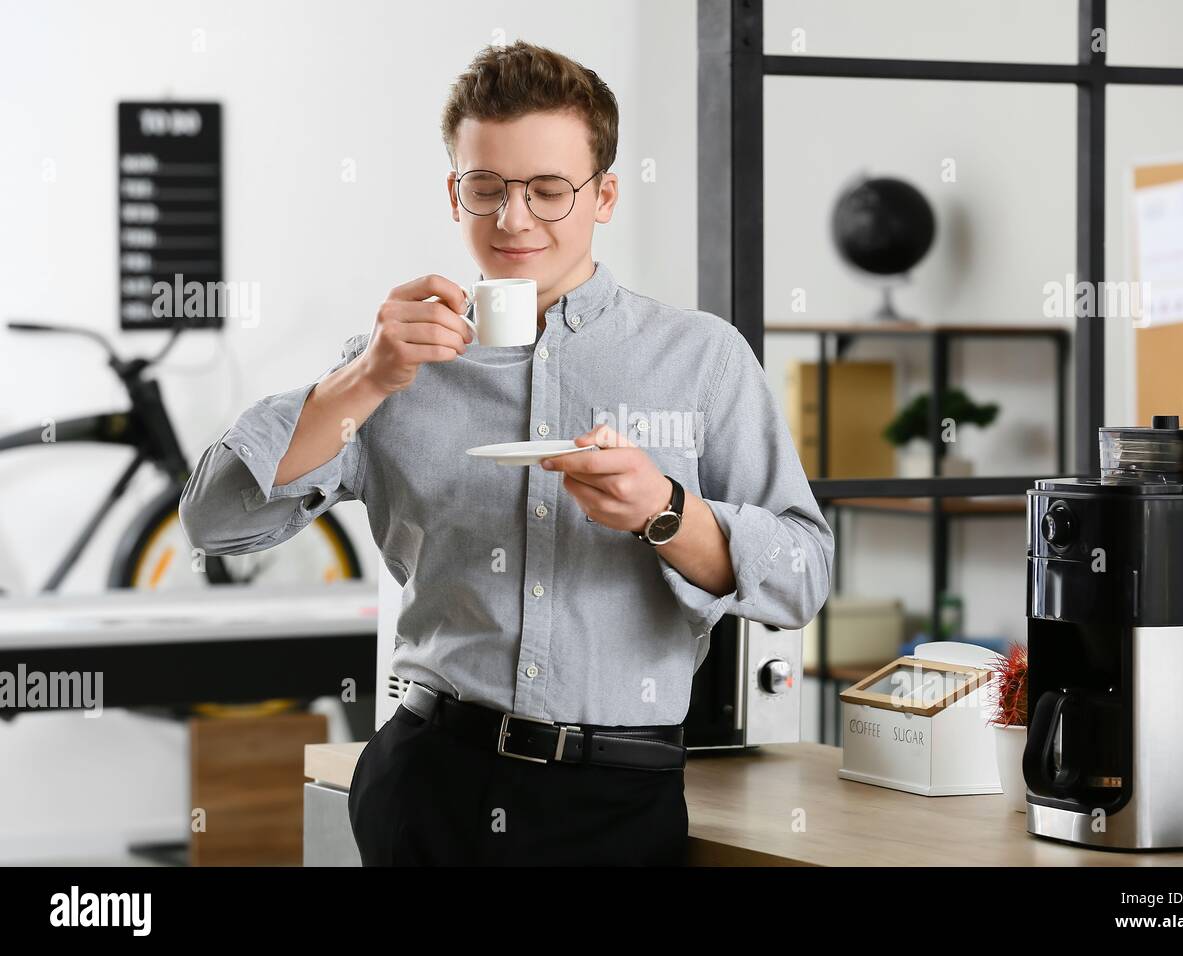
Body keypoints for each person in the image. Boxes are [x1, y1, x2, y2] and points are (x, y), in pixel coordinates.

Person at [178, 39, 835, 866]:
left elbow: (803, 575)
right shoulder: (390, 361)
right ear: (455, 196)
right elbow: (213, 521)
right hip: (428, 784)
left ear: (605, 196)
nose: (512, 219)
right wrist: (363, 380)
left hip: (619, 800)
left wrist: (665, 512)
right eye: (485, 188)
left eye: (548, 191)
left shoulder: (703, 360)